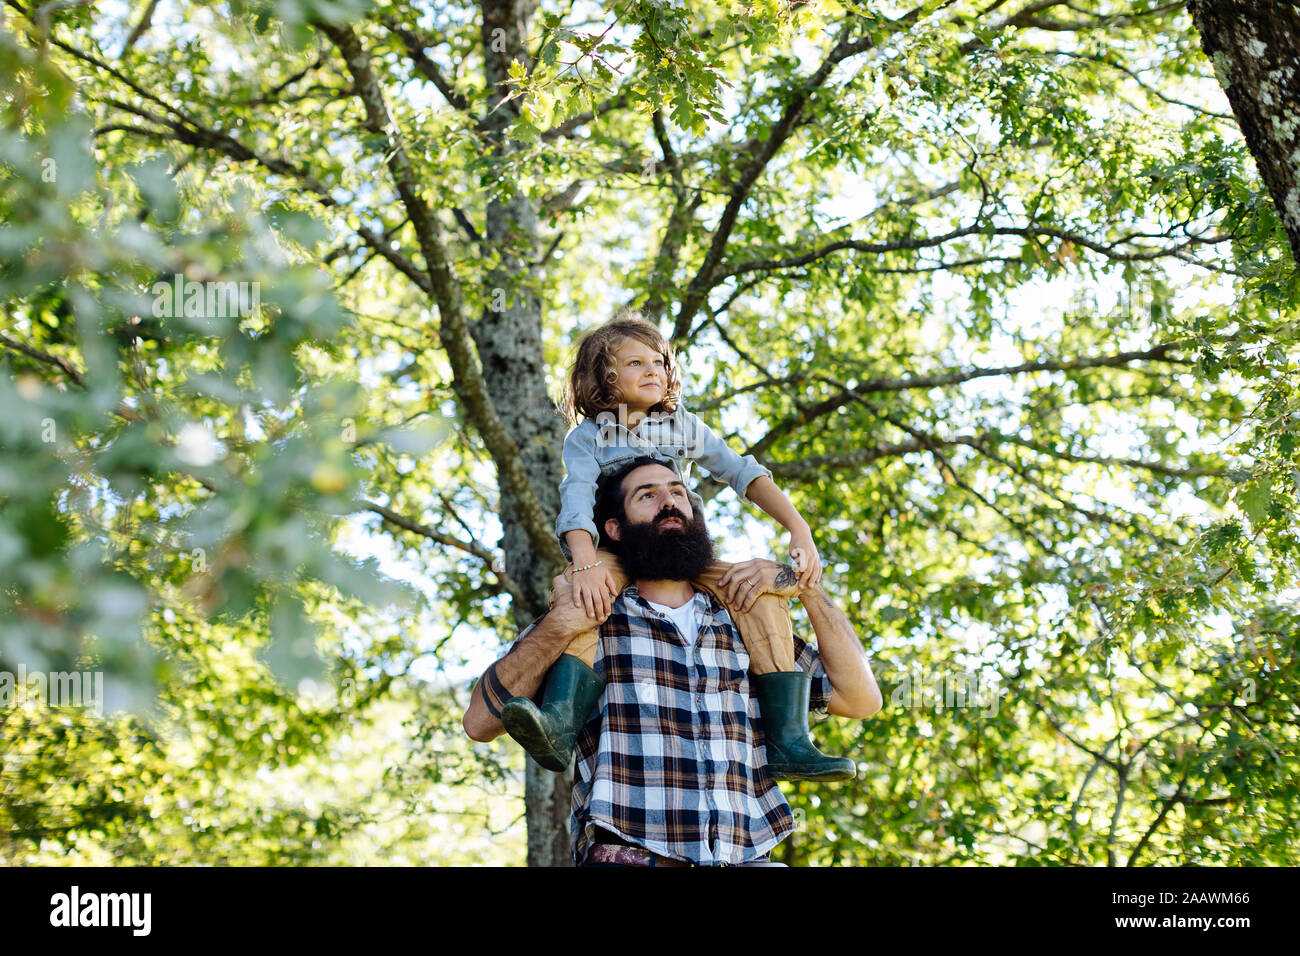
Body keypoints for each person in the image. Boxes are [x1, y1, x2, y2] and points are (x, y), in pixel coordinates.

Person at [463, 458, 882, 866]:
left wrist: (803, 585)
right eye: (647, 495)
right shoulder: (591, 618)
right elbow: (480, 722)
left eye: (678, 492)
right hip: (631, 854)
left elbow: (860, 699)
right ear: (614, 529)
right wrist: (559, 625)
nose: (670, 501)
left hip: (750, 856)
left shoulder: (743, 615)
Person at [504, 310, 852, 780]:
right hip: (615, 546)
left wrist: (799, 527)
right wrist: (584, 562)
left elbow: (741, 471)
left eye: (659, 362)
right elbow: (577, 498)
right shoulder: (587, 437)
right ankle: (560, 722)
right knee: (581, 594)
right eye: (635, 364)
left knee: (759, 591)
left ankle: (789, 740)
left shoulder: (681, 425)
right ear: (603, 377)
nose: (653, 371)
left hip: (676, 552)